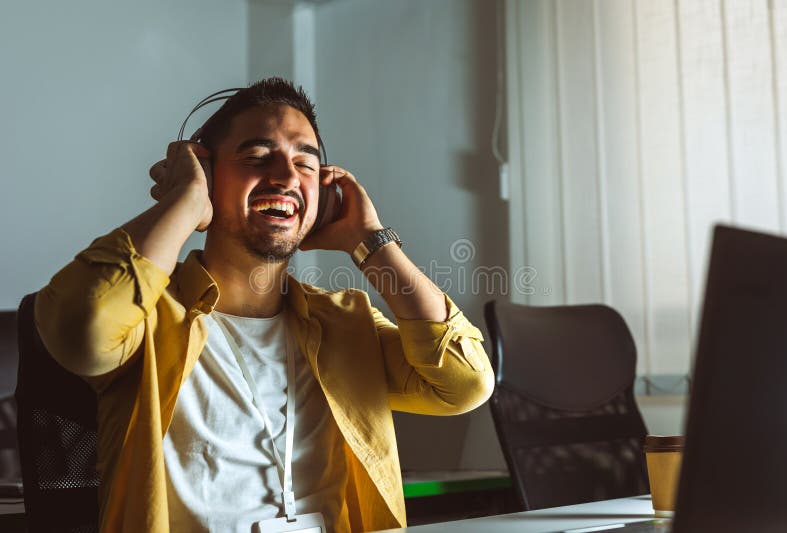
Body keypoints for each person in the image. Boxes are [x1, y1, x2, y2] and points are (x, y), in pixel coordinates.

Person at [34, 77, 493, 533]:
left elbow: (465, 384)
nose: (287, 176)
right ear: (208, 174)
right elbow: (85, 327)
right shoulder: (148, 320)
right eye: (257, 156)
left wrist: (370, 242)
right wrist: (186, 200)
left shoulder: (345, 324)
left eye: (305, 164)